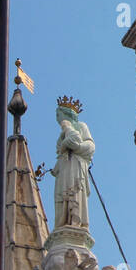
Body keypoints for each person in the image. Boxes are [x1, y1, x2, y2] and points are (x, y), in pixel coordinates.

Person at [51, 98, 94, 230]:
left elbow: (90, 146)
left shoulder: (80, 126)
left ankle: (75, 221)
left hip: (76, 166)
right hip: (64, 168)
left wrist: (68, 129)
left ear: (65, 114)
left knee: (74, 192)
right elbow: (61, 153)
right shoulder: (62, 135)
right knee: (61, 194)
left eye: (58, 115)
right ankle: (62, 223)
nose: (57, 118)